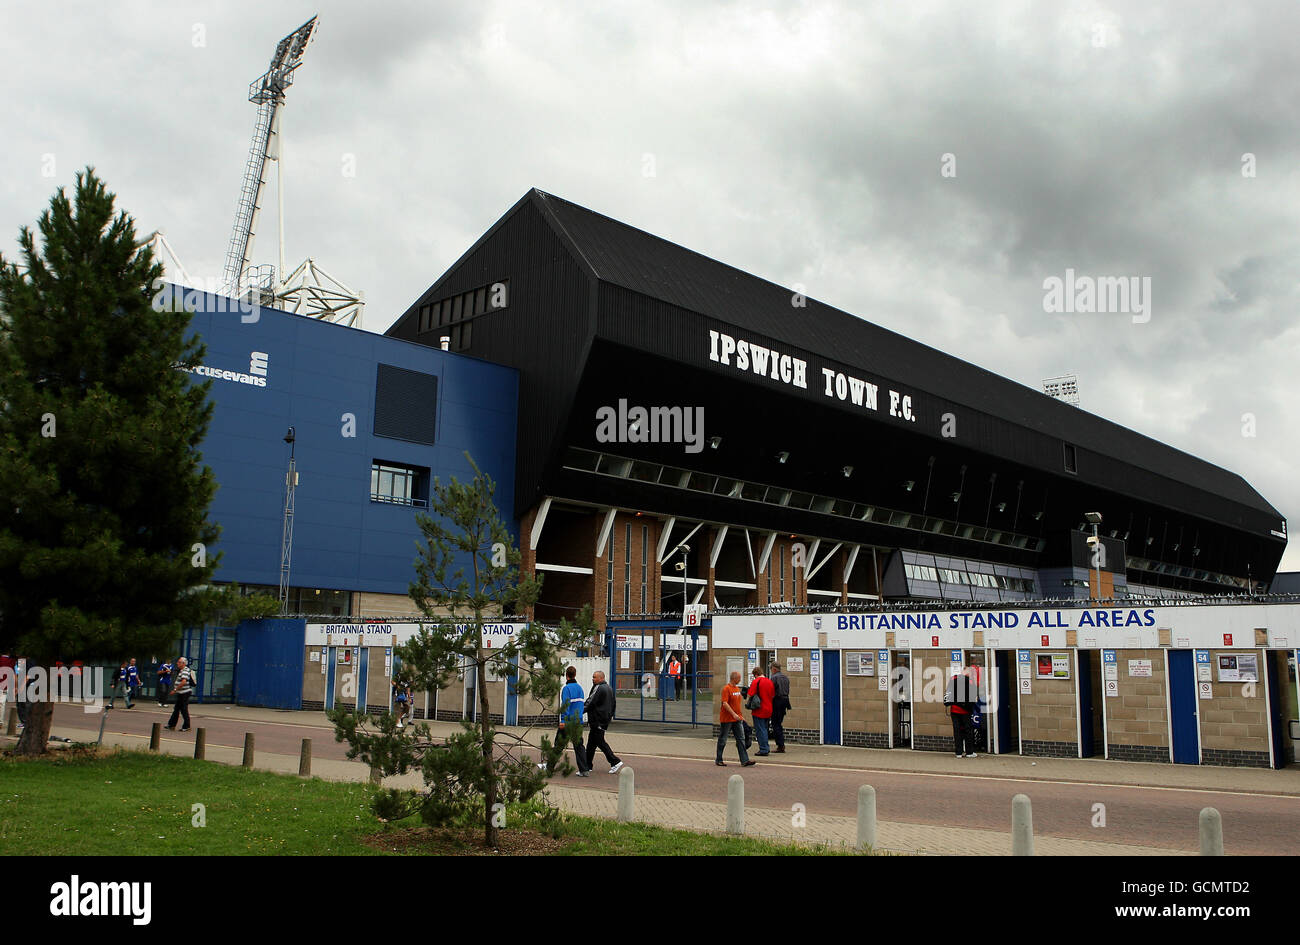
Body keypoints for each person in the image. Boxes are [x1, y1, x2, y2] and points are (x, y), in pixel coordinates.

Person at [544, 666, 590, 777]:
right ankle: (584, 770)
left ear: (566, 675)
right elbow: (580, 705)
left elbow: (566, 706)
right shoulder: (580, 688)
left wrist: (563, 720)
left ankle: (549, 768)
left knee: (558, 745)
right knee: (579, 746)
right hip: (578, 721)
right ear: (575, 674)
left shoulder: (566, 689)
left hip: (568, 721)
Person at [584, 670, 623, 774]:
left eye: (594, 677)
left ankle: (615, 761)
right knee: (591, 744)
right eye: (593, 677)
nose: (593, 679)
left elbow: (590, 702)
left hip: (597, 720)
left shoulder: (599, 688)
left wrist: (580, 711)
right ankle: (587, 765)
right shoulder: (609, 688)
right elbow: (614, 704)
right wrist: (609, 717)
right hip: (604, 720)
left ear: (601, 678)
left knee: (600, 742)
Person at [716, 670, 755, 767]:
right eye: (739, 678)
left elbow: (737, 705)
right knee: (723, 739)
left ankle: (745, 760)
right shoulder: (726, 689)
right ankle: (719, 759)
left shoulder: (737, 689)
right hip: (727, 719)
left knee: (741, 739)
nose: (740, 680)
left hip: (737, 719)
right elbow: (725, 703)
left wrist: (741, 716)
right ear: (734, 678)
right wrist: (733, 714)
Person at [945, 667, 977, 758]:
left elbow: (948, 692)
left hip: (954, 710)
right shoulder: (969, 681)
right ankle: (969, 752)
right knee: (968, 730)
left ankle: (958, 752)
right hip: (964, 711)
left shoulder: (953, 679)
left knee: (957, 731)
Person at [746, 665, 775, 756]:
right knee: (765, 729)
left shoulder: (756, 681)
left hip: (759, 709)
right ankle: (766, 746)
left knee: (760, 729)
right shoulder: (769, 681)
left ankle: (764, 749)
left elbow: (750, 693)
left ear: (756, 674)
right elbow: (773, 694)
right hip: (769, 708)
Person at [165, 657, 196, 732]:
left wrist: (175, 690)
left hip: (184, 693)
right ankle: (171, 725)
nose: (177, 663)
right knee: (176, 709)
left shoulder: (185, 671)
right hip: (181, 692)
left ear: (183, 663)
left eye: (179, 662)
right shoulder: (181, 670)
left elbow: (184, 682)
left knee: (184, 709)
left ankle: (187, 726)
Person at [768, 661, 790, 753]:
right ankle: (781, 744)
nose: (771, 670)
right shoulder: (786, 678)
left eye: (771, 669)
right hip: (785, 701)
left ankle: (780, 745)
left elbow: (770, 690)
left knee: (775, 723)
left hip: (777, 701)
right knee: (779, 722)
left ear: (774, 669)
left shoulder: (774, 678)